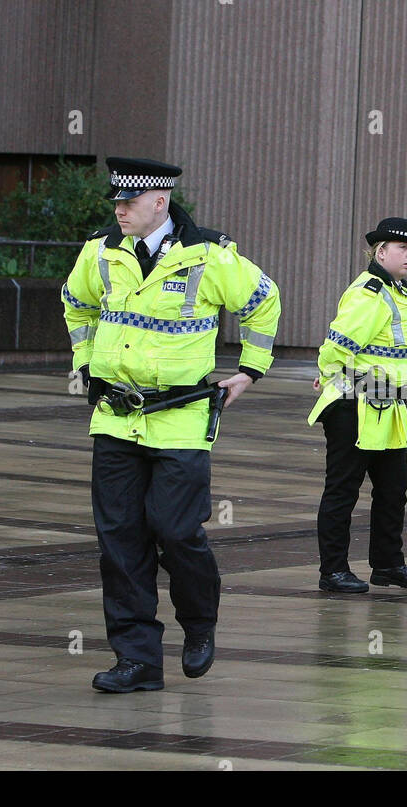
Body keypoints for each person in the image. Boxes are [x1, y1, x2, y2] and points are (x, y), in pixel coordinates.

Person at [62, 157, 281, 691]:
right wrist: (86, 361)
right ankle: (136, 659)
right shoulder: (100, 251)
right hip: (115, 420)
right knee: (120, 542)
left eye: (128, 202)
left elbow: (262, 301)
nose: (119, 210)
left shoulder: (210, 253)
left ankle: (199, 624)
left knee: (177, 532)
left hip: (180, 421)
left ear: (159, 201)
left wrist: (250, 370)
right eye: (116, 201)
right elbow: (75, 304)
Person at [309, 218, 407, 594]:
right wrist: (329, 376)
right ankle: (333, 571)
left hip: (388, 405)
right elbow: (336, 346)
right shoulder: (370, 292)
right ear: (380, 252)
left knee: (393, 490)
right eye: (402, 248)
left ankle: (388, 565)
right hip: (354, 403)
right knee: (343, 490)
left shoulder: (406, 295)